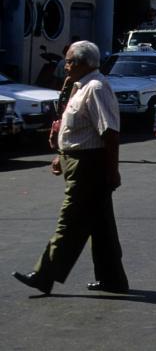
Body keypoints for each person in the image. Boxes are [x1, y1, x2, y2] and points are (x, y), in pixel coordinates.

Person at [12, 40, 129, 295]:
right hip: (78, 161)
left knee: (70, 221)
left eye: (69, 61)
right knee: (101, 225)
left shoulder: (96, 88)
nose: (65, 67)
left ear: (84, 63)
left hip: (90, 166)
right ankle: (113, 279)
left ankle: (44, 275)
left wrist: (112, 170)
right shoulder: (79, 87)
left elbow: (109, 133)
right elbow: (76, 131)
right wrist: (61, 156)